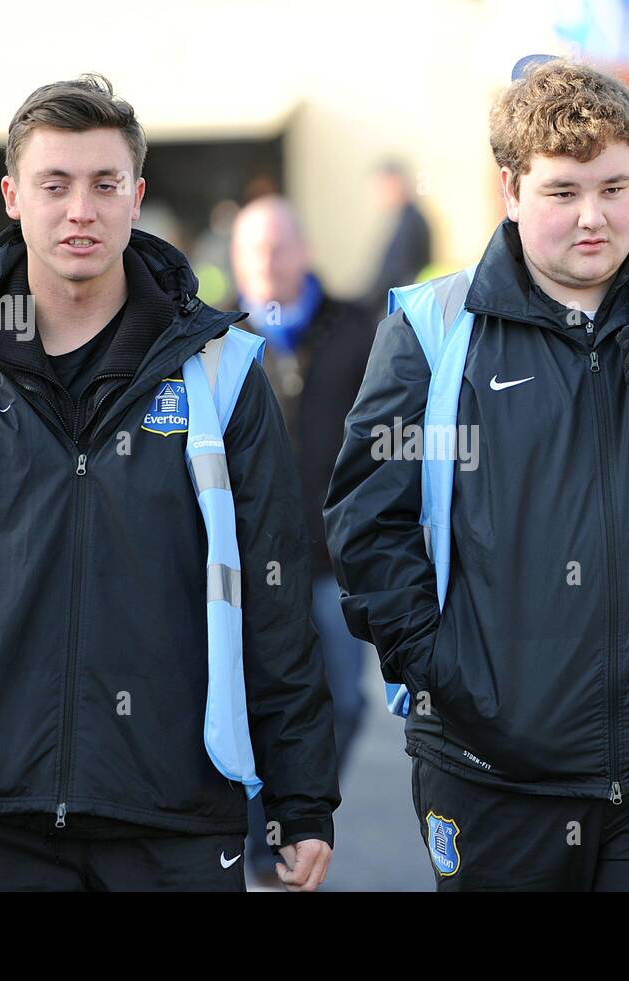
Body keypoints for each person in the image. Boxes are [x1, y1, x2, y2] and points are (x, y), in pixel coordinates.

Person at [325, 58, 629, 891]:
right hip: (493, 774)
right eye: (563, 192)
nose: (593, 218)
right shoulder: (433, 329)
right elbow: (365, 522)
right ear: (511, 190)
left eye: (614, 188)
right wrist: (448, 675)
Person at [0, 74, 338, 892]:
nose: (81, 209)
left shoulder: (221, 372)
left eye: (104, 184)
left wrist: (301, 797)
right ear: (13, 196)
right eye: (55, 183)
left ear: (136, 195)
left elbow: (274, 597)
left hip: (175, 822)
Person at [229, 194, 376, 884]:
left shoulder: (357, 329)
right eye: (251, 249)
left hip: (332, 563)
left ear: (304, 250)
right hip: (245, 567)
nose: (264, 260)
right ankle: (269, 840)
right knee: (254, 708)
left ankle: (302, 810)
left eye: (277, 246)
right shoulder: (215, 338)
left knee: (343, 701)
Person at [361, 161, 432, 312]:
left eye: (381, 188)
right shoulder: (405, 219)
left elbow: (394, 276)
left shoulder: (411, 224)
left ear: (395, 183)